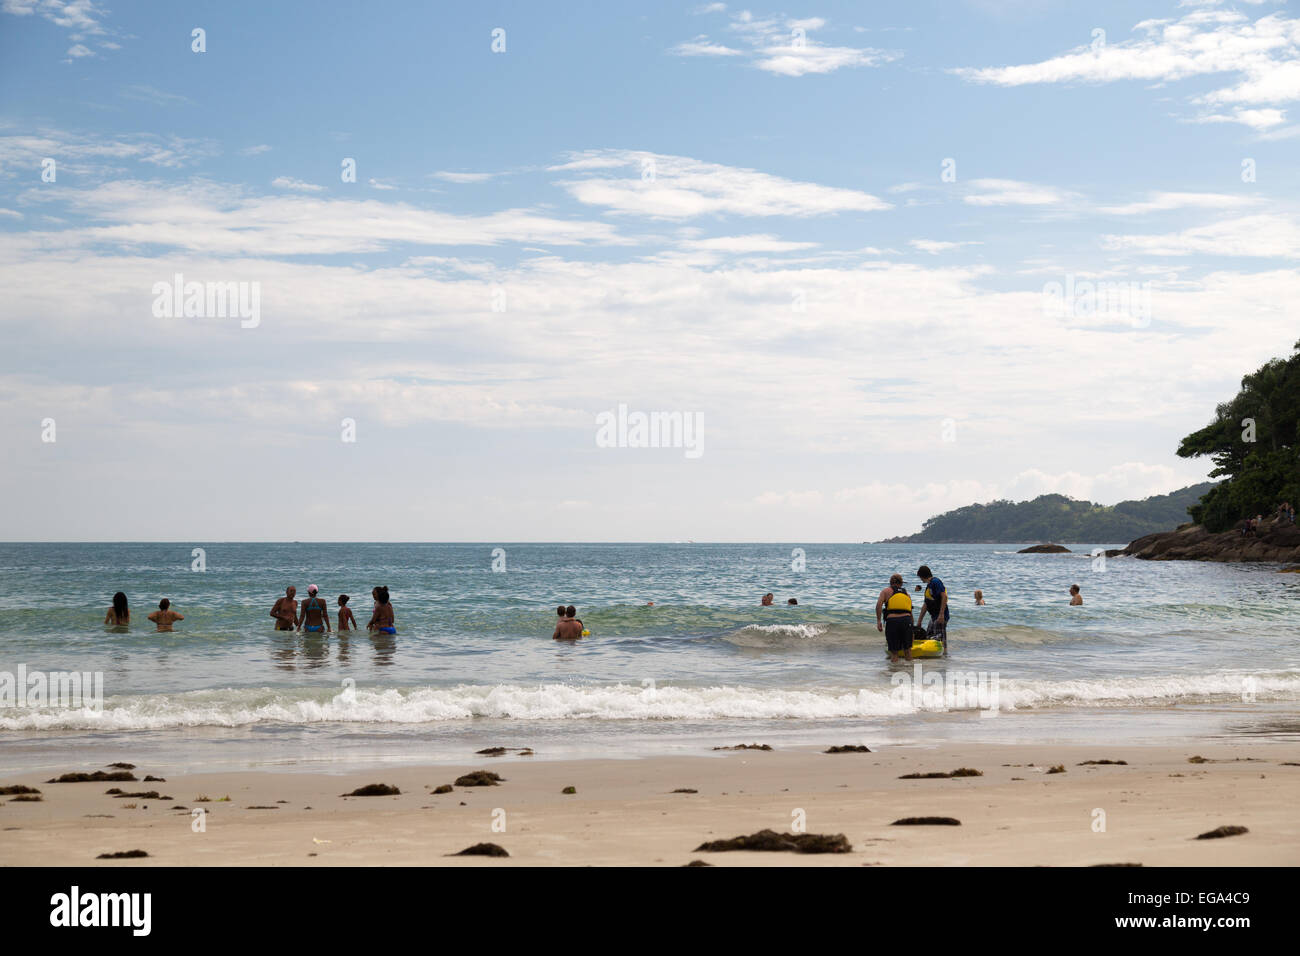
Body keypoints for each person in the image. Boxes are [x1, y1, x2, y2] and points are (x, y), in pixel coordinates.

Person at [875, 573, 914, 663]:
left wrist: (878, 621)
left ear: (890, 582)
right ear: (901, 583)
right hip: (906, 621)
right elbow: (910, 612)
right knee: (908, 651)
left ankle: (893, 673)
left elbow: (878, 605)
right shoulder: (907, 594)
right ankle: (911, 673)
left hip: (893, 622)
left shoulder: (886, 591)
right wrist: (912, 627)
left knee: (894, 653)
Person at [916, 565, 950, 654]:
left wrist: (941, 614)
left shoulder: (936, 582)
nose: (920, 580)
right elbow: (926, 604)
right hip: (934, 616)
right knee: (929, 635)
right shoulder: (929, 586)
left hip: (940, 616)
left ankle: (944, 656)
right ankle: (930, 656)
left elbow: (944, 596)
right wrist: (919, 621)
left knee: (939, 638)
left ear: (922, 575)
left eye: (920, 577)